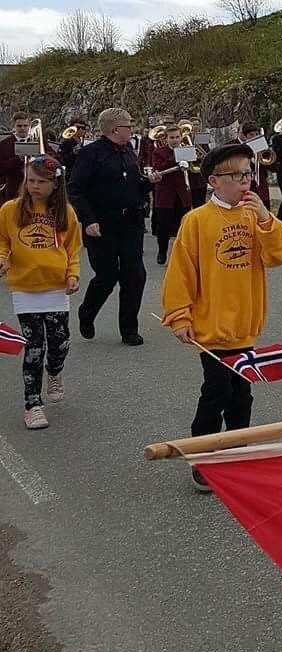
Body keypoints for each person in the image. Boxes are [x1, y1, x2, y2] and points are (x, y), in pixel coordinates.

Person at [161, 142, 282, 490]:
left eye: (248, 174)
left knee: (242, 394)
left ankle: (237, 450)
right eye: (235, 176)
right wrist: (179, 316)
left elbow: (280, 255)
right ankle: (203, 456)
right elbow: (181, 273)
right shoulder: (196, 221)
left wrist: (266, 217)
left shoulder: (255, 216)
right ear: (214, 181)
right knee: (216, 392)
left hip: (245, 327)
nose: (244, 182)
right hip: (211, 328)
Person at [0, 155, 81, 430]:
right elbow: (2, 240)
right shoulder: (10, 209)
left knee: (60, 344)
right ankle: (32, 404)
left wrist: (73, 275)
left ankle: (55, 372)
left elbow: (72, 249)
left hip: (56, 287)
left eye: (41, 182)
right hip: (25, 289)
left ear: (55, 184)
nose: (34, 186)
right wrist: (3, 258)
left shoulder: (65, 212)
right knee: (34, 347)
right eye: (30, 180)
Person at [68, 107, 159, 346]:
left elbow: (132, 184)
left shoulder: (128, 150)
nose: (133, 129)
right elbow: (75, 189)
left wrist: (148, 184)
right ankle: (87, 313)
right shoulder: (91, 154)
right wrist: (88, 219)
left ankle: (129, 329)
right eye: (129, 125)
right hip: (101, 224)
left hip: (130, 222)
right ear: (115, 129)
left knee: (135, 275)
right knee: (107, 276)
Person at [150, 125, 192, 265]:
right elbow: (158, 168)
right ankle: (162, 251)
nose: (175, 140)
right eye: (172, 137)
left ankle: (183, 253)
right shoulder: (158, 152)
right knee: (164, 226)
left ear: (181, 137)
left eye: (177, 137)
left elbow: (195, 170)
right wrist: (175, 158)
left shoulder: (188, 149)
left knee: (184, 225)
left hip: (183, 194)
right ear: (166, 139)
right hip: (165, 194)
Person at [0, 112, 33, 205]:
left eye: (25, 125)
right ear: (13, 126)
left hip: (34, 186)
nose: (23, 128)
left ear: (29, 126)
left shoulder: (37, 141)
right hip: (13, 187)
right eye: (19, 126)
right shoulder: (4, 144)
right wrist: (18, 159)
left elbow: (52, 156)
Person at [238, 123, 271, 207]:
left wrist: (266, 152)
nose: (255, 137)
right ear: (245, 137)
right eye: (251, 135)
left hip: (262, 190)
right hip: (248, 188)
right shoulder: (240, 150)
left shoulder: (262, 148)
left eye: (256, 134)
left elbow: (272, 168)